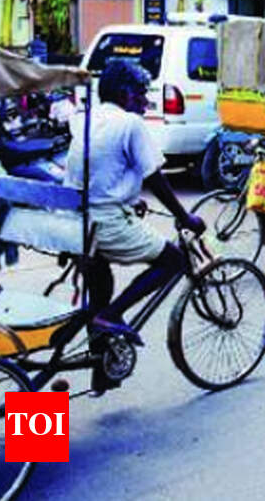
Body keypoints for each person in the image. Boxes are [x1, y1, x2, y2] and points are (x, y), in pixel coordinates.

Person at [66, 61, 206, 346]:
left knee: (100, 289)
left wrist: (128, 199)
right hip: (104, 223)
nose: (145, 101)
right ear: (123, 93)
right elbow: (153, 175)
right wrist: (184, 216)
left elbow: (101, 171)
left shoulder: (87, 118)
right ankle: (112, 315)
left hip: (75, 222)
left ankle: (101, 362)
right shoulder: (130, 123)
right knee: (175, 260)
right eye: (141, 93)